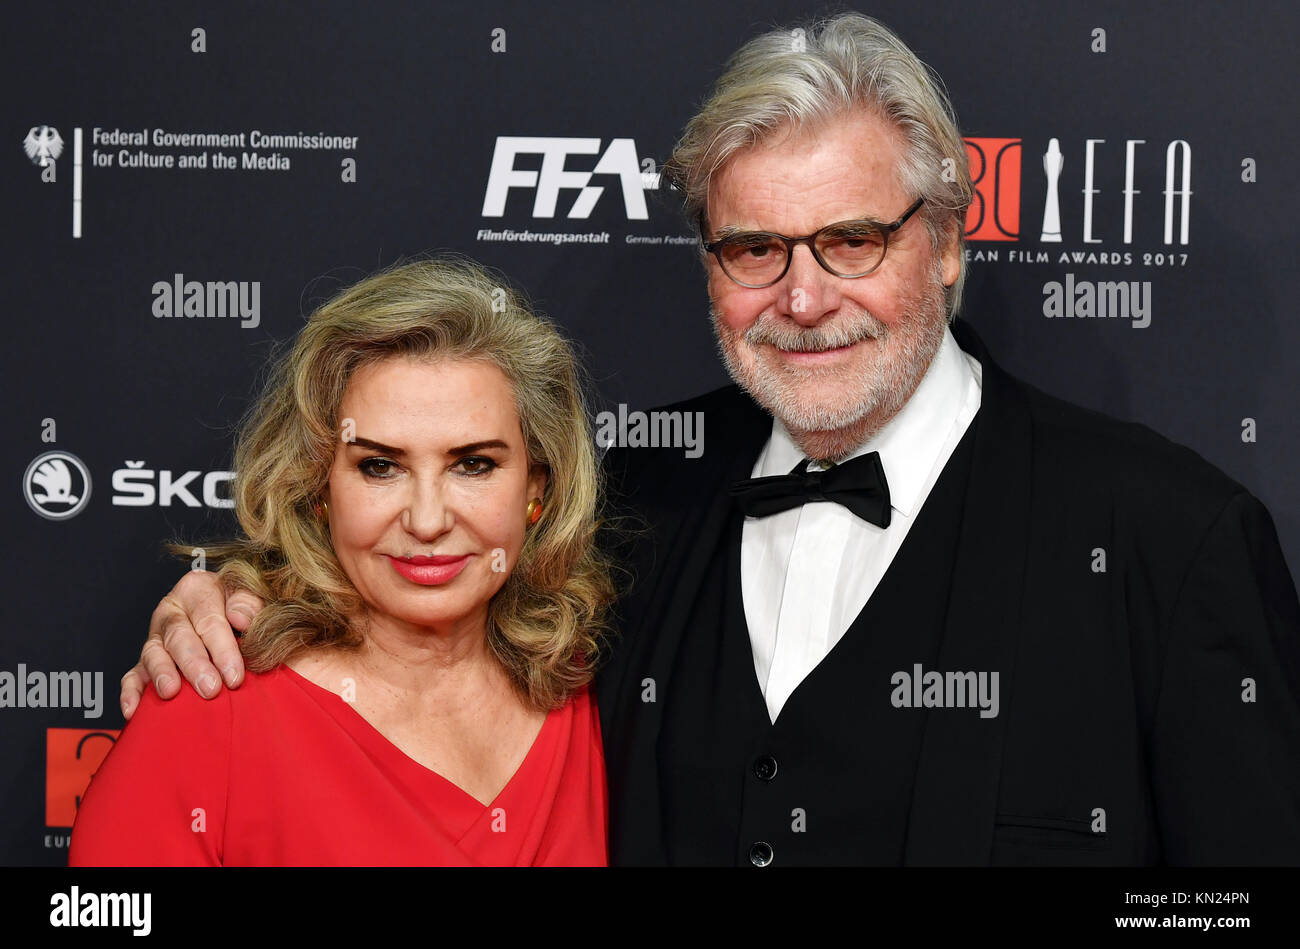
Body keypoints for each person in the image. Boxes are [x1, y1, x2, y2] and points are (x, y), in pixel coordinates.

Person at [120, 13, 1300, 865]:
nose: (801, 296)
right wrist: (226, 601)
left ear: (944, 242)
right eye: (754, 249)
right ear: (709, 266)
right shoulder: (626, 505)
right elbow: (411, 599)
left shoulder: (1166, 537)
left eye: (850, 239)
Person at [74, 257, 613, 865]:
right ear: (318, 484)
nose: (428, 520)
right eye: (379, 466)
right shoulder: (210, 703)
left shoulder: (599, 692)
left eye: (474, 464)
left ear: (536, 487)